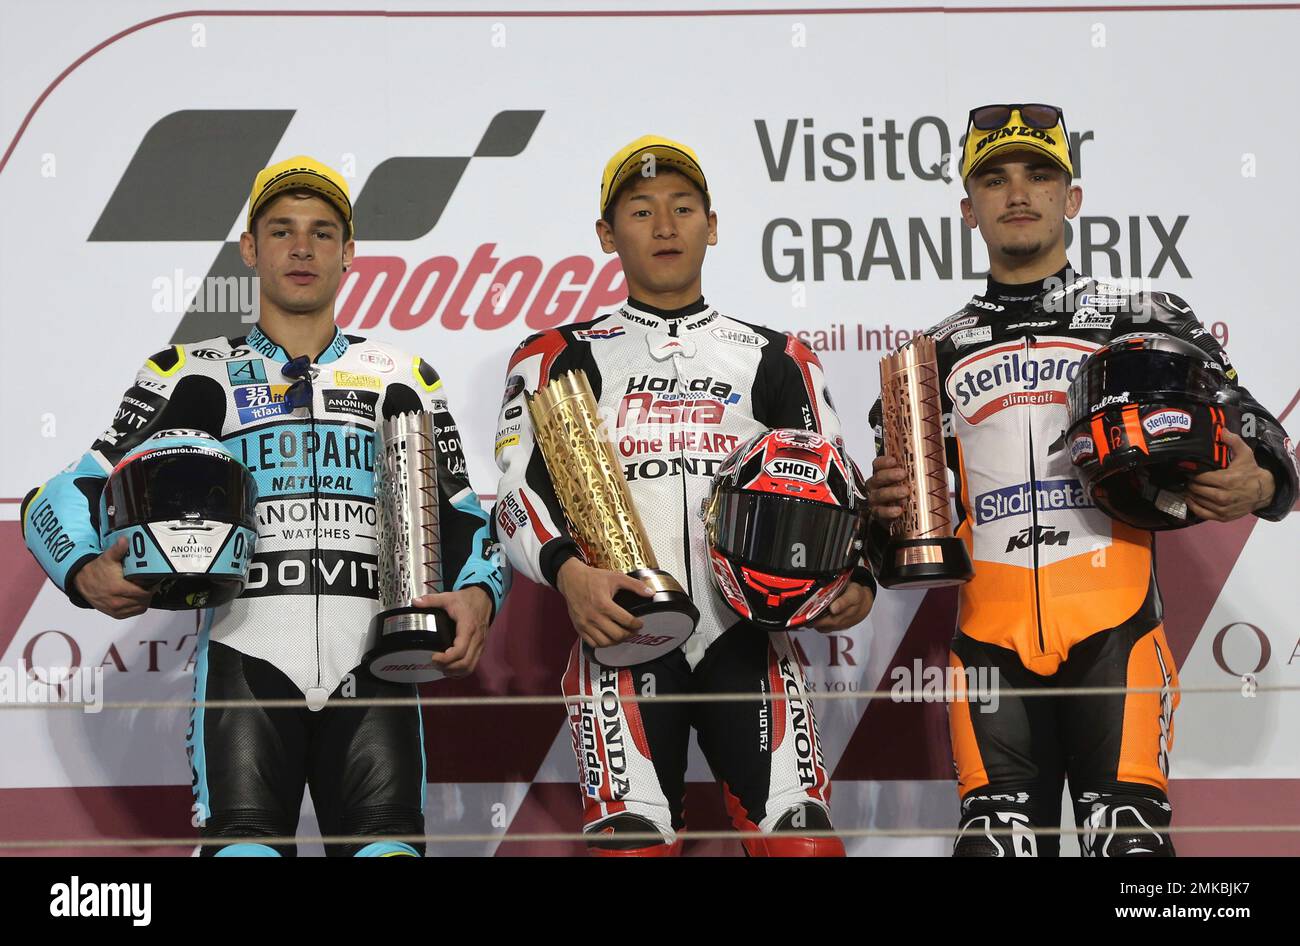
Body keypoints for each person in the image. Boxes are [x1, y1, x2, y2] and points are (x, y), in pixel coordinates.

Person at [21, 156, 506, 856]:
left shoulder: (402, 375)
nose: (302, 248)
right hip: (244, 660)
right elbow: (62, 494)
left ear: (349, 253)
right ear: (250, 249)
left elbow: (463, 518)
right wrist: (82, 571)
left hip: (375, 663)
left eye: (321, 232)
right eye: (281, 231)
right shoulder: (188, 374)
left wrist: (481, 596)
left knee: (389, 854)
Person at [865, 104, 1298, 856]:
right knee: (992, 849)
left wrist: (1258, 483)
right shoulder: (927, 357)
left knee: (1129, 849)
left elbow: (1257, 427)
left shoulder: (1145, 317)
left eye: (1040, 173)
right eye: (994, 179)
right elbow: (894, 529)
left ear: (1073, 197)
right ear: (968, 210)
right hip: (986, 645)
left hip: (1115, 634)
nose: (1018, 192)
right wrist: (883, 512)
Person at [493, 135, 875, 856]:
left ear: (714, 223)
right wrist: (569, 574)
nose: (664, 226)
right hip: (622, 636)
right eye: (640, 211)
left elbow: (832, 485)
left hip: (750, 638)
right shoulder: (556, 354)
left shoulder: (776, 356)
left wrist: (856, 578)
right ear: (607, 235)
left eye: (683, 207)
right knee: (631, 847)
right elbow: (515, 496)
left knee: (804, 847)